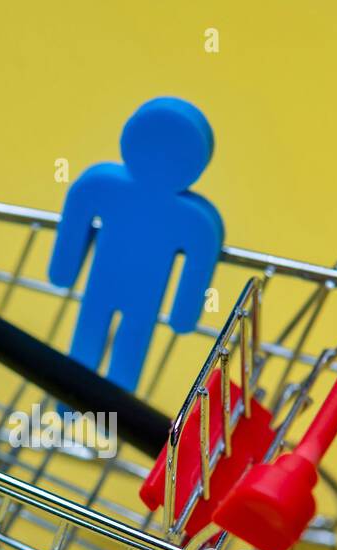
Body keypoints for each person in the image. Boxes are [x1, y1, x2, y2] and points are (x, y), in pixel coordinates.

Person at [48, 97, 224, 394]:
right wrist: (183, 315)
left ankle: (97, 416)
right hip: (119, 290)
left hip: (135, 295)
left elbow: (198, 262)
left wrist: (63, 271)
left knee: (116, 349)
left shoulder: (193, 219)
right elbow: (198, 262)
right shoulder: (192, 219)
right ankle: (100, 416)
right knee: (95, 341)